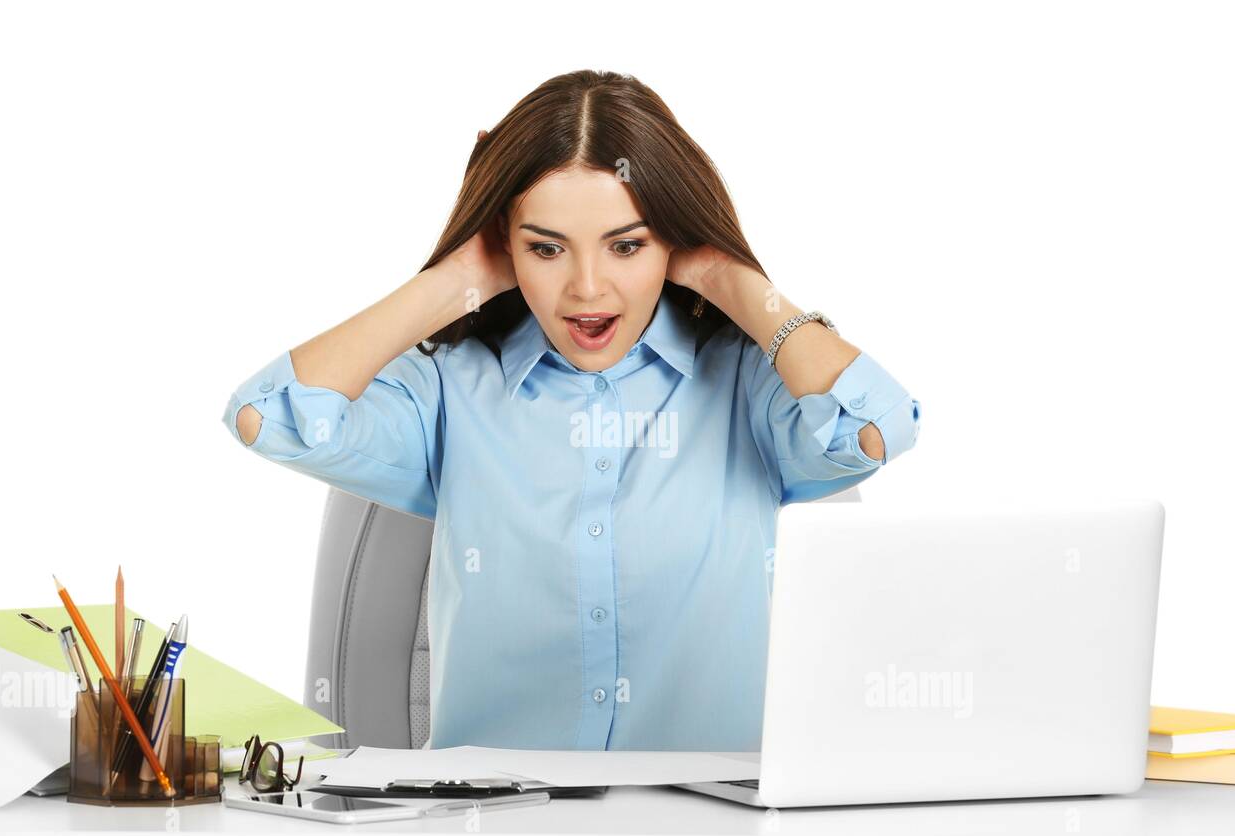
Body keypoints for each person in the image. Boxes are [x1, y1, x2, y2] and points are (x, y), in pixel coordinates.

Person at [222, 69, 922, 752]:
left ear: (673, 241)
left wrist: (730, 280)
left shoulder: (748, 386)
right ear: (505, 245)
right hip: (502, 833)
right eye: (546, 249)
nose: (587, 289)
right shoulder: (452, 389)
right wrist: (453, 282)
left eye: (627, 245)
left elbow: (875, 427)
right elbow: (267, 417)